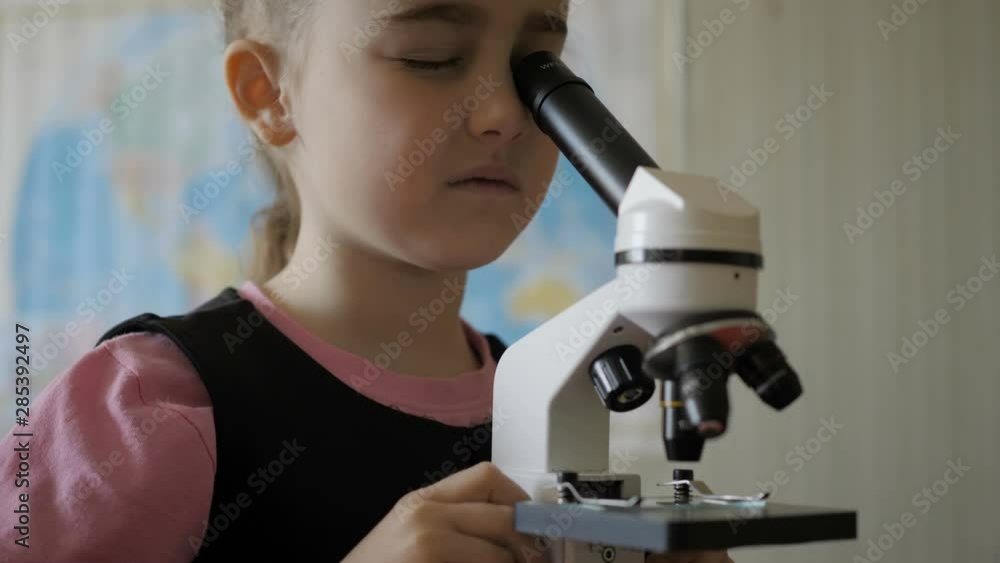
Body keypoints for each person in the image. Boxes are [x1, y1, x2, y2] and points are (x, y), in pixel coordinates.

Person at [0, 1, 733, 561]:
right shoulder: (146, 405)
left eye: (537, 65)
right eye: (431, 56)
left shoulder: (546, 400)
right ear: (269, 95)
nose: (506, 113)